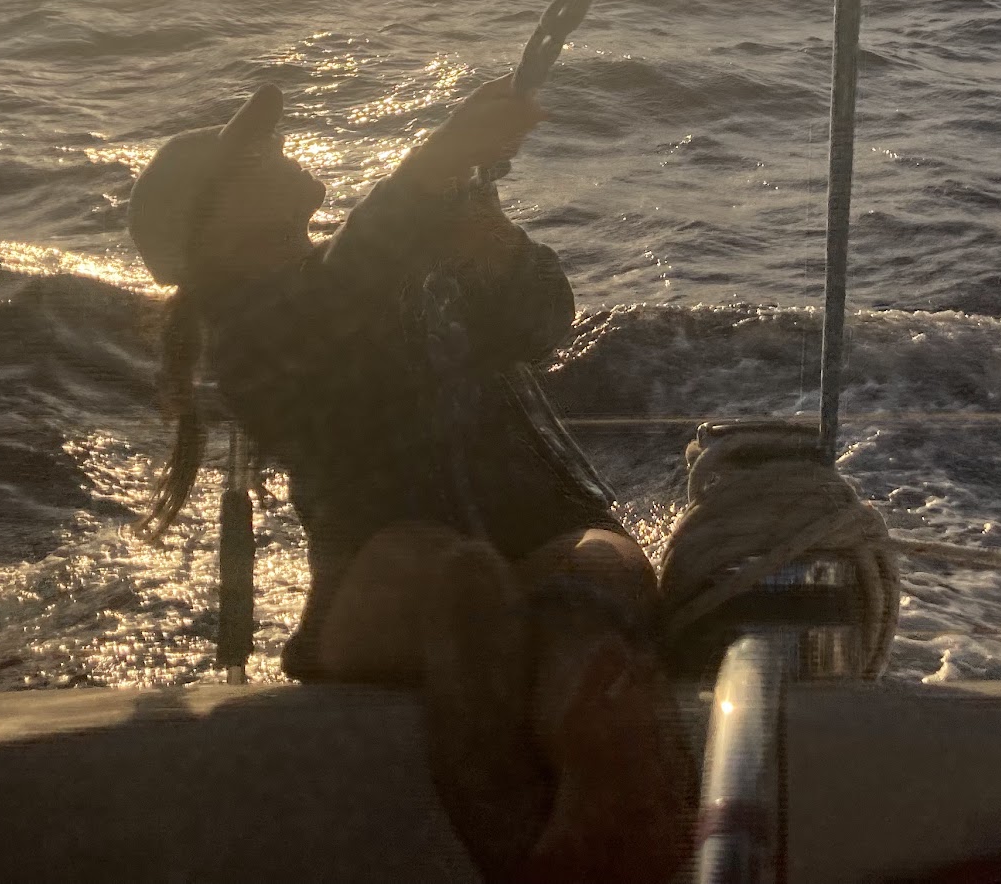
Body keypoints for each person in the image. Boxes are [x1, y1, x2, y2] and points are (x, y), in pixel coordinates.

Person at [126, 77, 692, 884]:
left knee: (605, 562)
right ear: (212, 230)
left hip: (530, 553)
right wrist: (433, 169)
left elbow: (540, 325)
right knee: (457, 576)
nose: (272, 150)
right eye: (247, 158)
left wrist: (495, 248)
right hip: (384, 595)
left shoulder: (389, 268)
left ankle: (612, 826)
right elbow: (331, 303)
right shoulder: (250, 333)